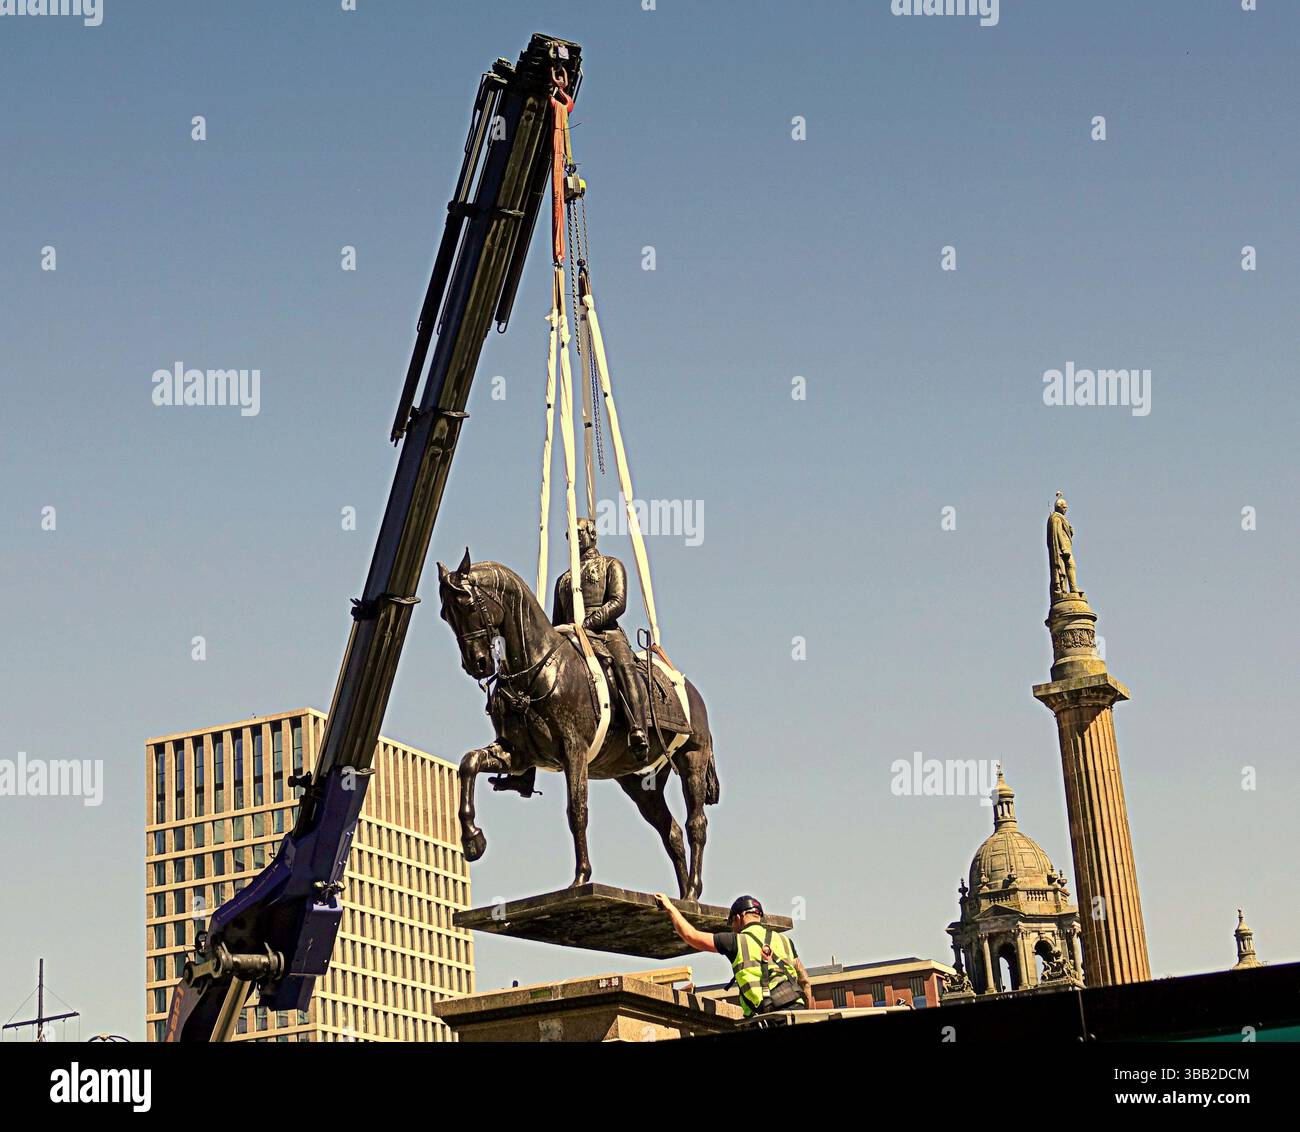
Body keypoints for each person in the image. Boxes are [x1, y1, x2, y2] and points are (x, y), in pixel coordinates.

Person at [552, 517, 650, 755]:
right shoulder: (563, 580)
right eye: (569, 536)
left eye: (578, 533)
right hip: (571, 636)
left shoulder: (611, 565)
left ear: (592, 535)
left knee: (624, 665)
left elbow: (618, 602)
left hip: (605, 632)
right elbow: (556, 620)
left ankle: (637, 727)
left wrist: (588, 623)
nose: (573, 540)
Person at [653, 892, 814, 1019]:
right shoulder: (785, 941)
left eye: (732, 923)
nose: (732, 928)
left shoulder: (735, 941)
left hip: (768, 1016)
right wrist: (809, 1013)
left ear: (738, 918)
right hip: (797, 1012)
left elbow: (691, 936)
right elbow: (805, 980)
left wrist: (670, 908)